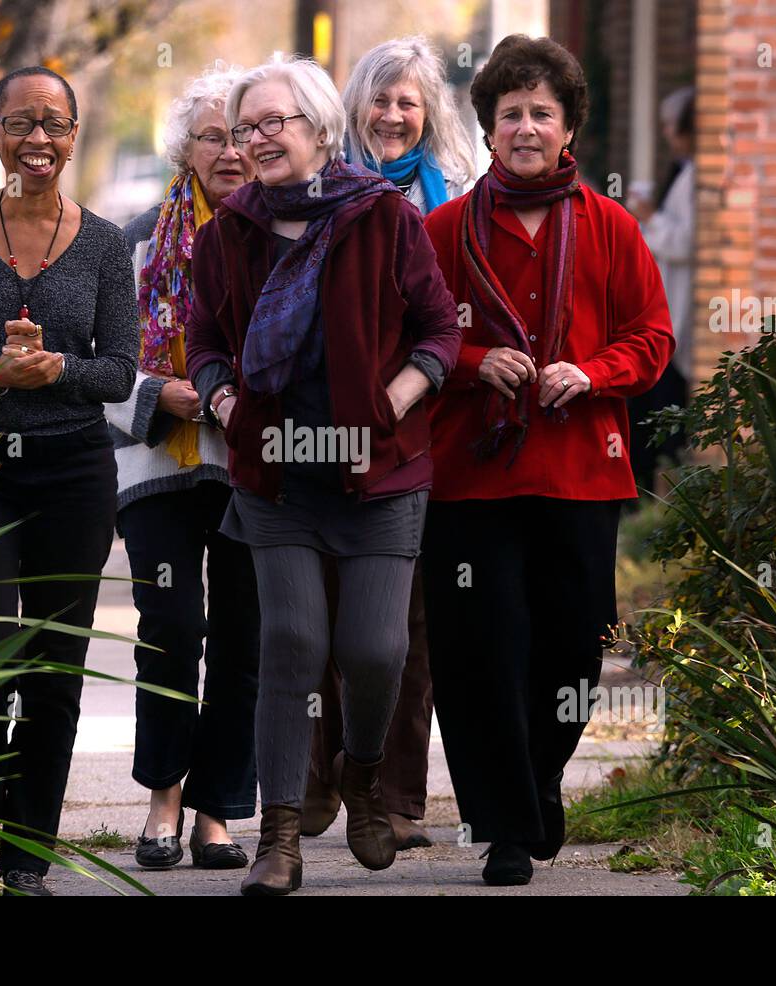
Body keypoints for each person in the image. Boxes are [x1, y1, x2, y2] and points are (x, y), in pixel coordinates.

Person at [185, 56, 462, 895]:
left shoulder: (381, 218)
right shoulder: (225, 234)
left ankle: (365, 776)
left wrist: (397, 396)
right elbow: (202, 345)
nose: (257, 139)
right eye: (245, 128)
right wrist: (226, 403)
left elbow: (439, 329)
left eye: (275, 123)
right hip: (275, 476)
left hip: (377, 472)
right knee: (293, 643)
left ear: (317, 129)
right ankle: (280, 840)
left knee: (375, 650)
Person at [420, 35, 674, 886]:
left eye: (542, 114)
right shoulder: (445, 228)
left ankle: (540, 783)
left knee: (569, 647)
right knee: (479, 648)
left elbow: (654, 340)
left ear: (568, 130)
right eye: (510, 115)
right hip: (472, 477)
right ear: (488, 129)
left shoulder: (610, 227)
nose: (525, 128)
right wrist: (467, 362)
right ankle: (504, 826)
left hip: (580, 471)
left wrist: (593, 371)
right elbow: (405, 339)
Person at [0, 65, 139, 896]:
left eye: (54, 122)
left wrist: (56, 372)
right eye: (19, 122)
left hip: (73, 470)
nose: (36, 138)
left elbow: (119, 372)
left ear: (74, 135)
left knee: (55, 661)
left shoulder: (107, 244)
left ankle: (27, 856)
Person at [298, 36, 477, 852]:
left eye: (409, 102)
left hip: (429, 435)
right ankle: (314, 785)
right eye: (380, 98)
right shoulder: (316, 195)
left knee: (405, 628)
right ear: (354, 108)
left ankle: (397, 795)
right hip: (327, 434)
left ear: (430, 112)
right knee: (320, 619)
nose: (394, 114)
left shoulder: (456, 204)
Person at [111, 62, 260, 870]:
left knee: (244, 636)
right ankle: (164, 794)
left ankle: (218, 811)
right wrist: (155, 393)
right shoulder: (132, 242)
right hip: (155, 467)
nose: (232, 149)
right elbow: (95, 365)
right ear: (185, 149)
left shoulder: (288, 237)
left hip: (251, 468)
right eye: (214, 135)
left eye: (244, 133)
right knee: (171, 629)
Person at [628, 85, 695, 499]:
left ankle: (653, 505)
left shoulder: (695, 178)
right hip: (665, 315)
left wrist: (650, 217)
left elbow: (685, 243)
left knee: (661, 421)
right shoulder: (684, 174)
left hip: (677, 320)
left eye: (672, 125)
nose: (668, 134)